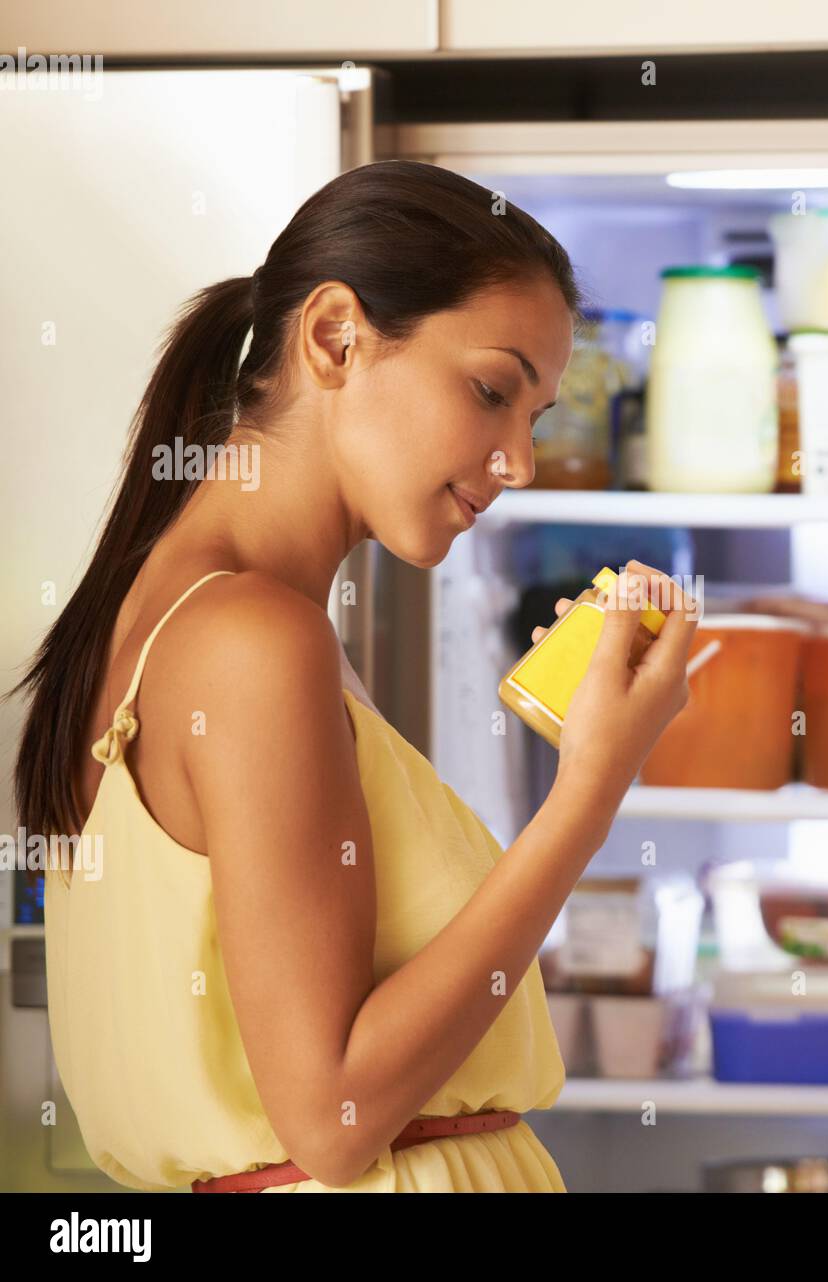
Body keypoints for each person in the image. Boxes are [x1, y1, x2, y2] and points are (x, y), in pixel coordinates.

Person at [12, 160, 696, 1192]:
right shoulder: (250, 639)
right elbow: (334, 1119)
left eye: (536, 418)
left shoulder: (207, 618)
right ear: (335, 338)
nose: (518, 460)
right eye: (490, 390)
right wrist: (592, 790)